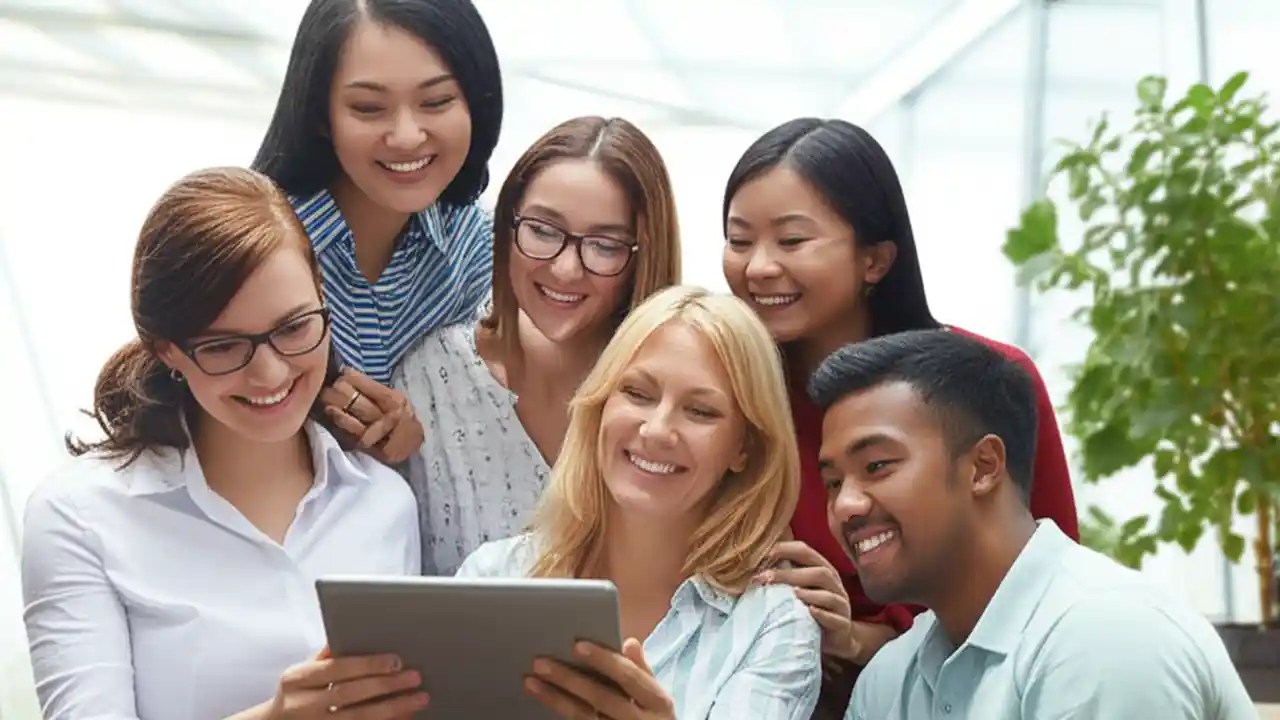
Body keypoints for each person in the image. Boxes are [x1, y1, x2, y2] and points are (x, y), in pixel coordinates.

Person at [21, 168, 426, 720]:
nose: (269, 372)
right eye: (223, 345)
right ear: (168, 351)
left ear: (323, 300)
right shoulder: (80, 516)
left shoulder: (383, 502)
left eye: (294, 327)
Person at [720, 118, 1080, 707]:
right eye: (739, 241)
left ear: (875, 260)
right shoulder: (725, 399)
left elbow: (1046, 587)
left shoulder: (984, 384)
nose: (758, 267)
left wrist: (859, 638)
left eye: (791, 241)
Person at [809, 330, 1255, 720]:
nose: (845, 505)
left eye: (878, 465)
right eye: (832, 482)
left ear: (983, 467)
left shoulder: (1102, 637)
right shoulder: (894, 674)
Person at [456, 285, 823, 719]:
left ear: (745, 448)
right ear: (600, 405)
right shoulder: (494, 577)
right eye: (638, 394)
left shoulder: (773, 629)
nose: (656, 430)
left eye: (700, 411)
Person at [393, 116, 681, 574]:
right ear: (507, 227)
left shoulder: (680, 393)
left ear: (642, 256)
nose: (566, 269)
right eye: (543, 231)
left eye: (605, 245)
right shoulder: (429, 376)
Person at [253, 0, 504, 461]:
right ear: (318, 115)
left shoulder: (482, 249)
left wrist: (420, 432)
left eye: (437, 102)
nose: (407, 136)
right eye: (369, 108)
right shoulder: (255, 245)